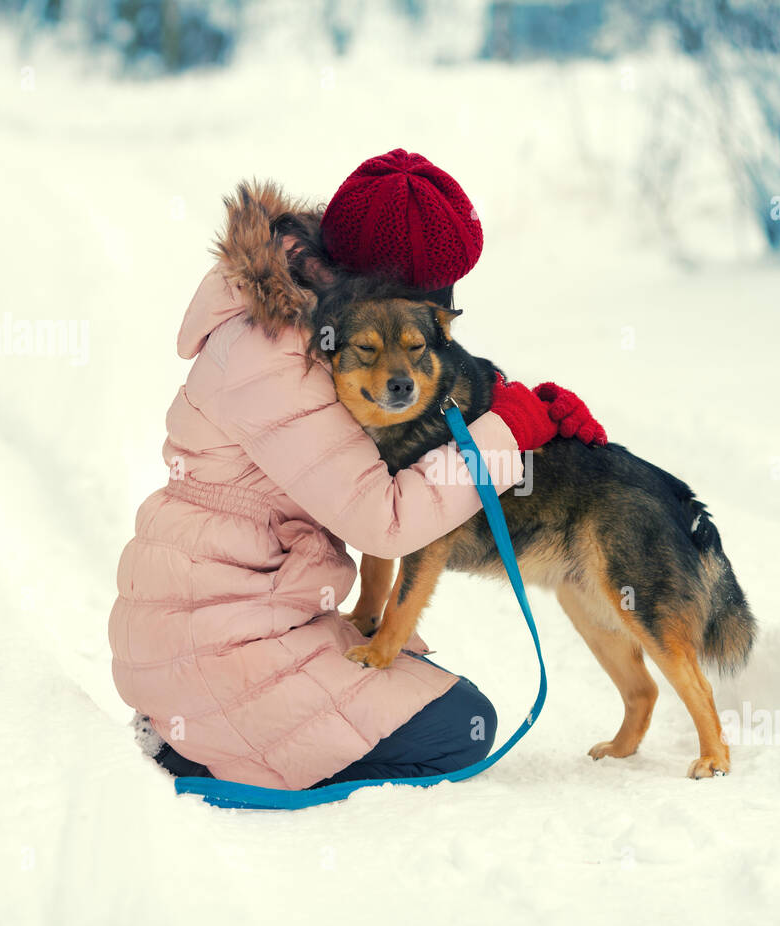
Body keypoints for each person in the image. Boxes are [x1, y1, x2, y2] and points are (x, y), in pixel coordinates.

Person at [110, 149, 605, 791]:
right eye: (433, 298)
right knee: (465, 728)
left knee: (429, 690)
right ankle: (193, 750)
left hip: (229, 614)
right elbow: (387, 520)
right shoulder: (279, 357)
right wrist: (508, 430)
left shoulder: (320, 327)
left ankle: (208, 728)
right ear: (388, 286)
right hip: (211, 642)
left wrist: (483, 393)